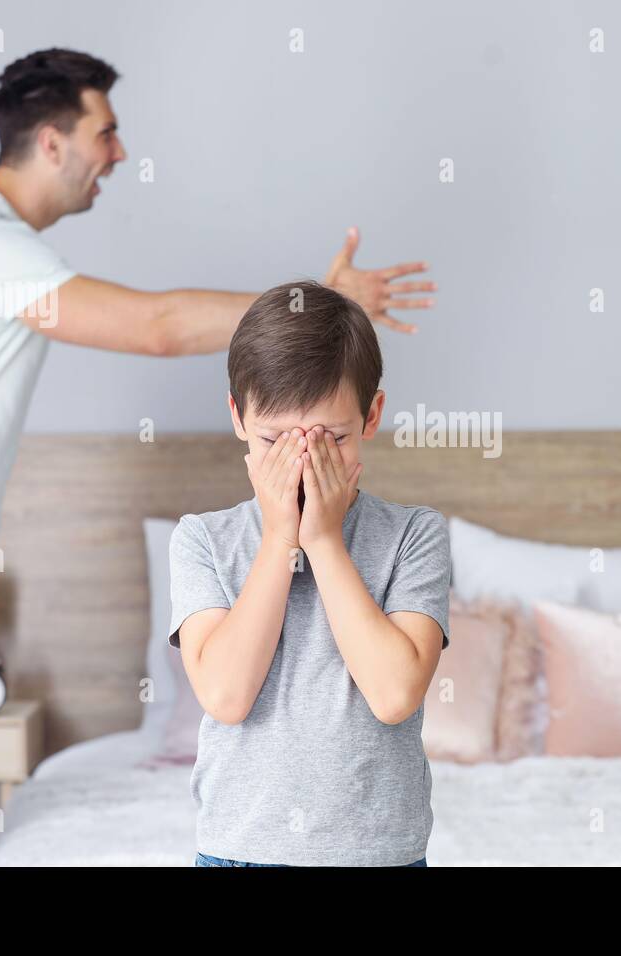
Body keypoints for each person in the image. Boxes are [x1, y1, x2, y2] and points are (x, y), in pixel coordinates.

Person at [0, 48, 436, 867]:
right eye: (104, 132)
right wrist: (311, 309)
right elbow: (153, 328)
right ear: (51, 142)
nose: (118, 154)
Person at [170, 281, 450, 867]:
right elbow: (225, 694)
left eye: (331, 440)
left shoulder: (413, 536)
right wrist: (279, 539)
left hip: (380, 856)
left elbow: (396, 694)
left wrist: (323, 541)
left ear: (372, 415)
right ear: (238, 418)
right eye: (275, 440)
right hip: (240, 853)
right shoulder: (204, 540)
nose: (301, 464)